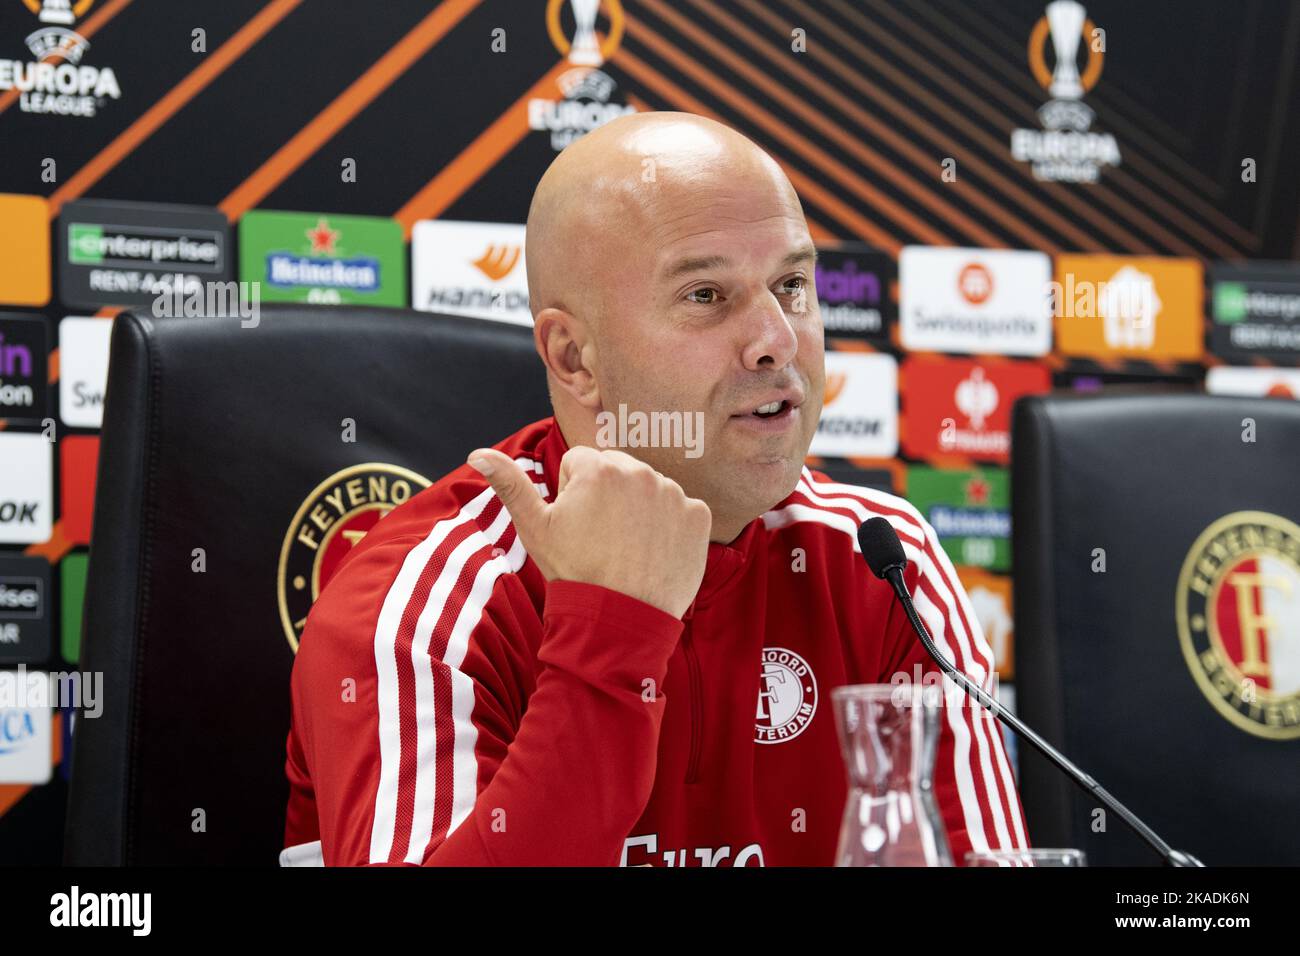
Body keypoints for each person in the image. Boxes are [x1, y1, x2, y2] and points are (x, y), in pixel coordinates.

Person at [280, 111, 1029, 867]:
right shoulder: (427, 604)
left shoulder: (883, 565)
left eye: (793, 285)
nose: (777, 337)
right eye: (707, 295)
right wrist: (611, 631)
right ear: (574, 359)